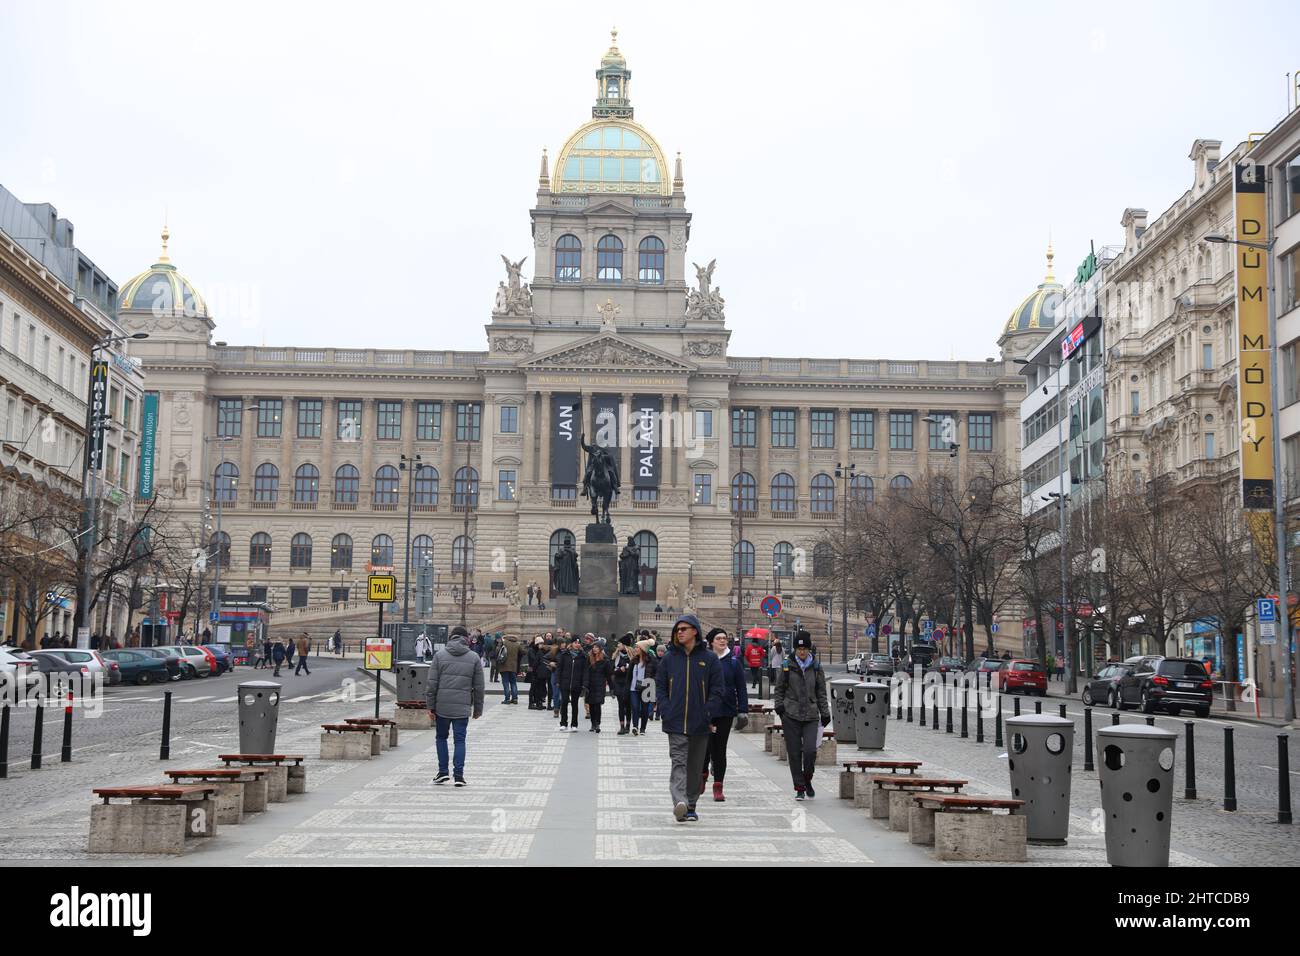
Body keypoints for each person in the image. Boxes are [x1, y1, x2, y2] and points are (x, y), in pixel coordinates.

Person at [656, 614, 724, 823]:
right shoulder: (669, 657)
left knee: (695, 767)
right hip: (675, 721)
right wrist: (666, 708)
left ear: (695, 630)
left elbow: (718, 689)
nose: (680, 632)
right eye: (678, 630)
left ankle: (691, 804)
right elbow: (660, 686)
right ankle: (679, 802)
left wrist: (707, 712)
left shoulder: (709, 658)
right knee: (678, 763)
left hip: (700, 722)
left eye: (684, 629)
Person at [426, 624, 485, 786]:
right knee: (460, 741)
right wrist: (478, 709)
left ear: (451, 637)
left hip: (442, 706)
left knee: (441, 738)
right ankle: (459, 776)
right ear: (466, 639)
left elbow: (432, 684)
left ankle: (443, 772)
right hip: (462, 706)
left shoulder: (440, 655)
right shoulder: (473, 657)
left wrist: (430, 706)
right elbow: (479, 687)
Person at [775, 631, 830, 800]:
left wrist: (825, 713)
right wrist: (780, 707)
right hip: (791, 714)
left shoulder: (816, 666)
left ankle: (807, 778)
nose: (802, 652)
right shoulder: (787, 665)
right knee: (794, 753)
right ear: (795, 649)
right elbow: (779, 689)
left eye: (805, 648)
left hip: (811, 715)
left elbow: (821, 692)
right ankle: (799, 787)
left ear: (809, 648)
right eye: (799, 648)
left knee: (810, 751)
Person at [704, 627, 749, 802]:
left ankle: (718, 786)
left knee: (719, 749)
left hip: (726, 710)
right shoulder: (705, 661)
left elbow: (741, 687)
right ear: (711, 642)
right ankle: (703, 773)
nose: (723, 641)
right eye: (718, 638)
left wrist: (743, 710)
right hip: (706, 711)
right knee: (705, 747)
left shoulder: (733, 662)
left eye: (724, 638)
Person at [556, 634, 588, 731]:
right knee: (564, 702)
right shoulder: (565, 654)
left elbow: (585, 671)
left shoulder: (582, 656)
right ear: (571, 644)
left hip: (576, 683)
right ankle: (563, 723)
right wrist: (558, 680)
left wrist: (584, 683)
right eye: (575, 642)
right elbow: (559, 668)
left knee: (575, 704)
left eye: (578, 643)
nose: (577, 644)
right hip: (565, 682)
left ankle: (574, 724)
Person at [584, 642, 613, 732]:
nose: (594, 649)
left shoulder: (605, 660)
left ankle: (597, 724)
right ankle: (593, 723)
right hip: (590, 685)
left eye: (596, 647)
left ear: (600, 648)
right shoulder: (589, 658)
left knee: (597, 705)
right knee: (591, 705)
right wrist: (585, 684)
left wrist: (612, 688)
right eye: (593, 647)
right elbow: (585, 672)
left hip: (600, 685)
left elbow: (608, 675)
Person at [610, 634, 634, 734]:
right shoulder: (616, 656)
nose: (618, 645)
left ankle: (628, 725)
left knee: (628, 705)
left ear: (625, 645)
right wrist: (620, 670)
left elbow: (634, 669)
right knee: (620, 705)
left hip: (628, 683)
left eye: (619, 643)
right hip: (619, 683)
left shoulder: (632, 656)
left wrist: (627, 668)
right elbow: (612, 670)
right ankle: (622, 726)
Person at [500, 633, 523, 704]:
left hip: (504, 666)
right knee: (513, 683)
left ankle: (507, 699)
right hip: (513, 667)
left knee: (506, 683)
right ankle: (515, 699)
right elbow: (523, 652)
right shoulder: (517, 644)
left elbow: (497, 651)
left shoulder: (504, 643)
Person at [528, 637, 549, 709]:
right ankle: (531, 704)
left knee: (539, 688)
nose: (542, 645)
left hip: (539, 673)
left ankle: (538, 703)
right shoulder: (532, 650)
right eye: (540, 643)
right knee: (533, 688)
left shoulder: (540, 651)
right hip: (533, 672)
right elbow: (535, 661)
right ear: (537, 644)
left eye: (543, 643)